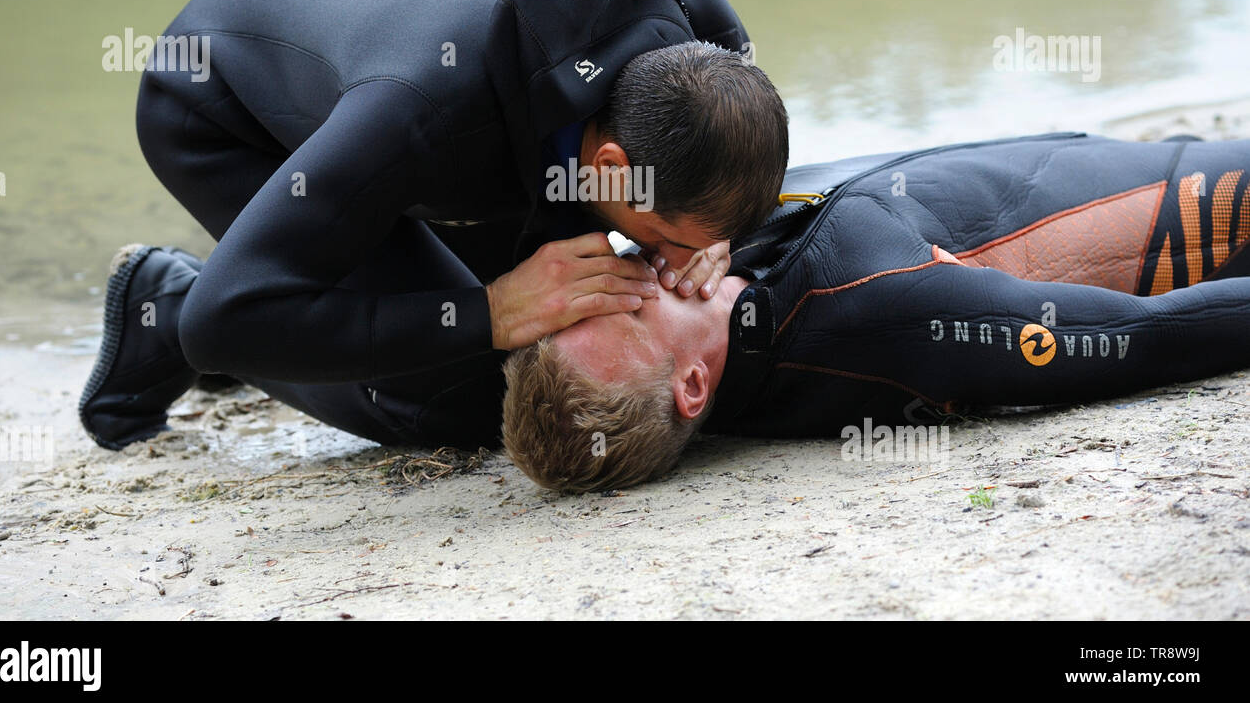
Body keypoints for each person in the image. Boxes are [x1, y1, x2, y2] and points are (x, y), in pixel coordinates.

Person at [80, 0, 789, 451]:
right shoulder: (425, 121)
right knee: (469, 395)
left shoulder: (707, 36)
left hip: (424, 88)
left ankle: (306, 328)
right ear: (607, 168)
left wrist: (720, 237)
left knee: (529, 337)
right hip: (223, 103)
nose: (670, 265)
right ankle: (160, 305)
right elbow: (223, 321)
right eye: (667, 243)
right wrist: (490, 311)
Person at [502, 132, 1250, 492]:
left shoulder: (722, 277)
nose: (625, 270)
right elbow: (1142, 340)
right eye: (629, 312)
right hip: (1219, 204)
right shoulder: (874, 316)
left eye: (591, 293)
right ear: (691, 387)